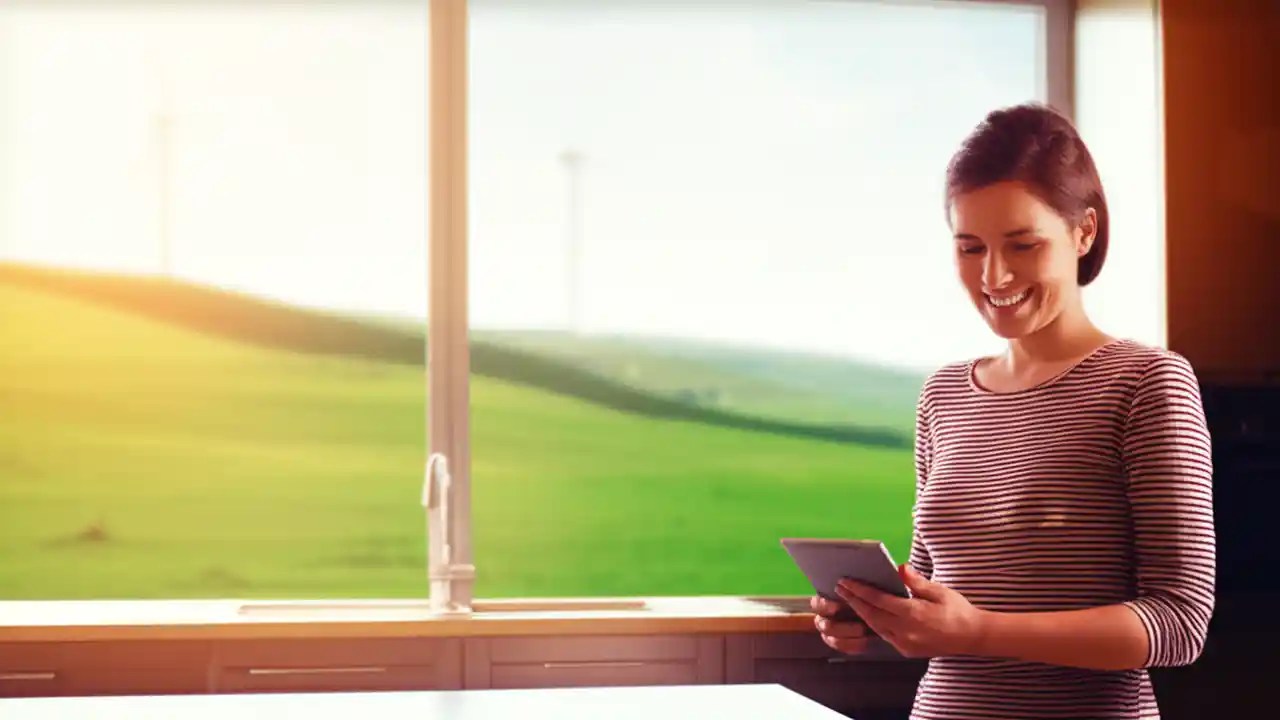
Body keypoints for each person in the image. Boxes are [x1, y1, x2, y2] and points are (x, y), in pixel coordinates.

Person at [810, 103, 1215, 719]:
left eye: (1022, 245)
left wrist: (980, 631)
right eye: (969, 248)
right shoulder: (943, 394)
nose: (993, 276)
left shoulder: (1146, 382)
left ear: (1084, 231)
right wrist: (869, 619)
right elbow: (936, 603)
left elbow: (1180, 623)